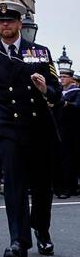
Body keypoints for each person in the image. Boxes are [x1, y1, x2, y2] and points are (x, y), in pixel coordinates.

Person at [0, 0, 62, 257]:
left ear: (19, 24)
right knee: (14, 184)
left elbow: (56, 90)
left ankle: (41, 227)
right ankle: (18, 241)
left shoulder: (39, 52)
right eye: (1, 21)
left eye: (10, 21)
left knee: (41, 185)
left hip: (38, 126)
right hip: (7, 126)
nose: (5, 25)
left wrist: (44, 90)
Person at [54, 53, 79, 198]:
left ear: (71, 78)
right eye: (60, 77)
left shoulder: (76, 92)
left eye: (64, 77)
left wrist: (65, 104)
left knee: (68, 160)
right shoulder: (58, 92)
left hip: (71, 130)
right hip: (58, 129)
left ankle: (69, 187)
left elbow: (77, 106)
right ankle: (60, 186)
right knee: (59, 159)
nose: (61, 79)